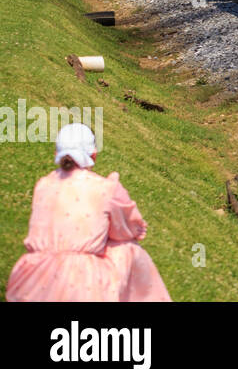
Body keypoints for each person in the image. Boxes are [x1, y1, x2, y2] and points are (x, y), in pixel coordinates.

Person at [6, 122, 171, 302]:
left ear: (56, 154)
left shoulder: (44, 184)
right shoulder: (105, 188)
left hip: (33, 277)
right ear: (93, 154)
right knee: (127, 248)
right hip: (82, 280)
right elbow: (128, 229)